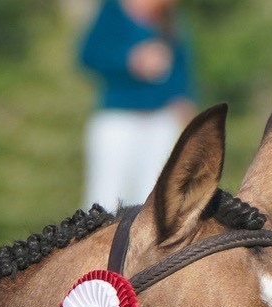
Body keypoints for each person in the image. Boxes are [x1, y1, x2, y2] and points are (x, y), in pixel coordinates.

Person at [77, 0, 198, 212]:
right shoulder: (112, 12)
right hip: (118, 118)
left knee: (154, 197)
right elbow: (89, 56)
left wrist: (184, 99)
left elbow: (181, 67)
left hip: (161, 119)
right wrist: (130, 60)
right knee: (105, 197)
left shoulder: (169, 19)